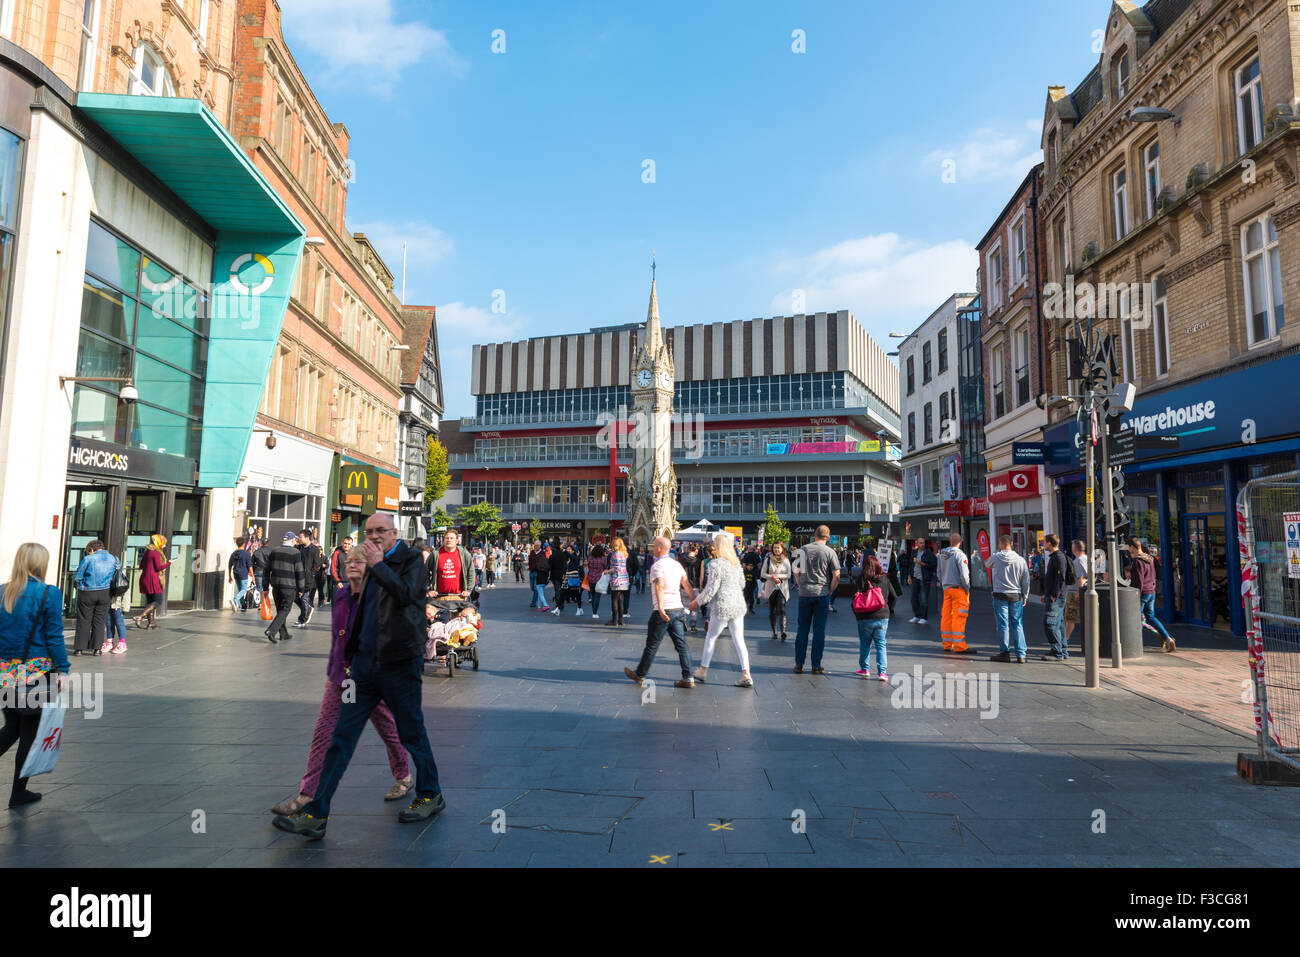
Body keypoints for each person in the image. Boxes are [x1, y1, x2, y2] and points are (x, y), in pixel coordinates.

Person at [273, 513, 446, 839]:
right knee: (341, 739)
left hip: (399, 662)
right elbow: (360, 607)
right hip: (364, 666)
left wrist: (378, 564)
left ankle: (430, 792)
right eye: (369, 531)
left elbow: (408, 595)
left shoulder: (411, 560)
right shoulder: (368, 563)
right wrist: (351, 651)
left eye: (381, 530)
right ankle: (316, 812)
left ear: (395, 532)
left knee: (411, 733)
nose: (374, 536)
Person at [270, 545, 414, 817]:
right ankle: (306, 795)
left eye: (360, 561)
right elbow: (338, 638)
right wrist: (337, 671)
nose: (352, 565)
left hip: (370, 680)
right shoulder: (340, 596)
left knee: (389, 729)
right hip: (340, 679)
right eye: (350, 561)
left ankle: (404, 775)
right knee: (322, 735)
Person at [0, 543, 72, 808]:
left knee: (12, 727)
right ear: (42, 563)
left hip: (6, 672)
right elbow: (54, 636)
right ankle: (18, 793)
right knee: (28, 731)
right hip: (36, 672)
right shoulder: (48, 594)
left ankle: (19, 792)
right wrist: (63, 670)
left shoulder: (2, 592)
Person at [623, 537, 697, 689]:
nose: (651, 548)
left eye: (654, 546)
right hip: (677, 609)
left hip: (663, 611)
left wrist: (661, 608)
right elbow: (686, 584)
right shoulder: (677, 565)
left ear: (658, 548)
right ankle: (688, 676)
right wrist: (693, 601)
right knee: (681, 645)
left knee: (652, 645)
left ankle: (640, 674)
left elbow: (659, 586)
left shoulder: (658, 566)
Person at [690, 533, 753, 688]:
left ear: (717, 547)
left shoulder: (716, 565)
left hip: (723, 606)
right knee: (739, 640)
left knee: (711, 637)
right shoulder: (736, 563)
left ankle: (703, 670)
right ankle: (746, 674)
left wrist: (697, 602)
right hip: (737, 605)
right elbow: (742, 584)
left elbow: (711, 590)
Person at [791, 525, 841, 675]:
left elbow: (795, 570)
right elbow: (836, 575)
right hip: (822, 593)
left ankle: (799, 664)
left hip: (805, 593)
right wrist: (830, 591)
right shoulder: (830, 552)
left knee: (802, 629)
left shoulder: (803, 549)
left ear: (814, 535)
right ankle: (816, 665)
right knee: (819, 630)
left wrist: (801, 585)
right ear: (828, 536)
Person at [985, 535, 1030, 663]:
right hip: (1016, 595)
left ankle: (1005, 652)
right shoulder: (1021, 560)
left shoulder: (996, 557)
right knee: (1018, 624)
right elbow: (1025, 580)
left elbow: (987, 564)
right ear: (1011, 543)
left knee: (1003, 625)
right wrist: (1025, 595)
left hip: (1000, 594)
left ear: (1000, 544)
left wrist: (996, 553)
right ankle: (1021, 654)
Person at [853, 553, 896, 680]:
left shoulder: (861, 578)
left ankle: (865, 669)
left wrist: (858, 614)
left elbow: (854, 599)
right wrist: (888, 610)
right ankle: (882, 672)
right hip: (882, 617)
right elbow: (894, 597)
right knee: (881, 644)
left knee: (865, 644)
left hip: (864, 617)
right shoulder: (885, 579)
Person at [1129, 538, 1176, 652]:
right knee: (1151, 617)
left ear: (1133, 547)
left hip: (1142, 593)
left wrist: (1136, 595)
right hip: (1151, 592)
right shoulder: (1149, 559)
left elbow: (1138, 581)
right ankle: (1167, 638)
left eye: (1129, 548)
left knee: (1135, 620)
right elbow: (1154, 575)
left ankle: (1133, 645)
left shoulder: (1137, 561)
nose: (1129, 551)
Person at [72, 540, 118, 655]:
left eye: (89, 551)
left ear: (92, 549)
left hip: (88, 592)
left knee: (84, 620)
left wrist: (80, 584)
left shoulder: (88, 559)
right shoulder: (114, 559)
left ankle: (79, 649)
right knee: (100, 620)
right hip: (105, 592)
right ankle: (97, 649)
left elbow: (78, 576)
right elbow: (116, 575)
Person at [263, 532, 306, 644]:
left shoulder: (274, 551)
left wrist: (265, 586)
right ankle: (271, 631)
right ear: (292, 541)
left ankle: (283, 634)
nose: (296, 542)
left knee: (280, 609)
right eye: (295, 540)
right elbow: (299, 572)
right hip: (289, 586)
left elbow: (266, 570)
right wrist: (301, 589)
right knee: (285, 609)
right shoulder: (295, 553)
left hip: (276, 585)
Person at [937, 533, 974, 654]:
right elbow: (964, 575)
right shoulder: (960, 555)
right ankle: (959, 646)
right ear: (961, 542)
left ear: (950, 541)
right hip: (958, 589)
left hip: (946, 589)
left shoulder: (942, 554)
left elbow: (939, 573)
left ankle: (947, 644)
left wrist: (944, 584)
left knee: (946, 616)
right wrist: (967, 588)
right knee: (959, 617)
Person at [1040, 533, 1073, 661]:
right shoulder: (1055, 557)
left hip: (1056, 598)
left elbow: (1061, 578)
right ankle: (1063, 650)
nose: (1044, 544)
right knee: (1059, 624)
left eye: (1045, 542)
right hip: (1055, 596)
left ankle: (1057, 651)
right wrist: (1046, 594)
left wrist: (1054, 594)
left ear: (1050, 543)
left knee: (1050, 623)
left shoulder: (1058, 557)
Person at [134, 535, 171, 630]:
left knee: (150, 601)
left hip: (145, 579)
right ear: (158, 543)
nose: (165, 545)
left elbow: (141, 565)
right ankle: (140, 616)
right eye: (163, 543)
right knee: (158, 601)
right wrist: (169, 563)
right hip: (153, 580)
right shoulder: (155, 553)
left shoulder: (148, 552)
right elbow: (158, 568)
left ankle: (151, 623)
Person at [761, 540, 792, 640]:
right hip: (771, 588)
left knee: (782, 609)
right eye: (774, 547)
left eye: (778, 547)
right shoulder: (768, 559)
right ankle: (774, 632)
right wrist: (772, 577)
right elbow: (762, 574)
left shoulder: (786, 560)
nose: (776, 549)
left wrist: (777, 576)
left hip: (782, 588)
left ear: (782, 548)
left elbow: (788, 574)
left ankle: (783, 631)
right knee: (772, 611)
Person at [428, 530, 473, 598]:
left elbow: (471, 571)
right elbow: (424, 572)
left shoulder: (464, 554)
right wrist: (428, 589)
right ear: (443, 540)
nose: (449, 540)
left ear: (457, 541)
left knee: (470, 609)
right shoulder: (435, 554)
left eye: (452, 538)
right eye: (447, 538)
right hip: (438, 596)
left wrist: (468, 589)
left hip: (460, 596)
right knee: (428, 609)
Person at [294, 530, 322, 628]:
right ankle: (307, 609)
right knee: (295, 597)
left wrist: (311, 573)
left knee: (304, 598)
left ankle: (303, 619)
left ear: (307, 538)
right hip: (297, 577)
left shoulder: (314, 549)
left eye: (301, 537)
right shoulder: (299, 548)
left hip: (308, 578)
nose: (299, 539)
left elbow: (317, 563)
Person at [909, 539, 937, 624]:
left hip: (924, 578)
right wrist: (909, 576)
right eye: (920, 543)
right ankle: (917, 615)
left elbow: (933, 564)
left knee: (924, 599)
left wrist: (921, 563)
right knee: (913, 598)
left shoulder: (928, 553)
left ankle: (924, 617)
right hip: (915, 578)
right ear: (916, 543)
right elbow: (910, 565)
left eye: (923, 543)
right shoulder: (914, 552)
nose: (922, 544)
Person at [608, 538, 630, 627]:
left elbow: (616, 568)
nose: (613, 546)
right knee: (620, 600)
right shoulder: (623, 554)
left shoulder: (615, 554)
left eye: (614, 544)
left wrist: (608, 571)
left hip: (616, 579)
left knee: (614, 599)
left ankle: (614, 621)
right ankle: (621, 620)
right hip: (624, 580)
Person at [228, 537, 254, 614]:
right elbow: (249, 566)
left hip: (236, 574)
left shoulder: (233, 554)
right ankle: (235, 600)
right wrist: (252, 576)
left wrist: (230, 576)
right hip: (243, 574)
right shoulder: (246, 554)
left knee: (240, 590)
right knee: (243, 590)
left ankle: (243, 606)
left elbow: (229, 566)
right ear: (244, 544)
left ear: (237, 544)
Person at [586, 541, 608, 621]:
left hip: (591, 578)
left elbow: (588, 566)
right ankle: (595, 613)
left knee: (592, 595)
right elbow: (605, 567)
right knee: (597, 597)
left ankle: (593, 612)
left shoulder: (590, 558)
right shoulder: (603, 559)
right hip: (599, 580)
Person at [740, 546, 761, 614]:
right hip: (754, 573)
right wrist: (757, 570)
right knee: (752, 591)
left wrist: (745, 569)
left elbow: (743, 564)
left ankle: (745, 606)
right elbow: (759, 564)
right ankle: (753, 604)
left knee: (746, 594)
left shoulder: (746, 555)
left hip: (746, 574)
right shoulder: (756, 555)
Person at [532, 544, 552, 611]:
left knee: (540, 594)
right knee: (541, 593)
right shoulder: (547, 565)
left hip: (539, 580)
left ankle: (546, 605)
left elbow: (533, 568)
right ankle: (539, 607)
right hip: (545, 581)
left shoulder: (537, 565)